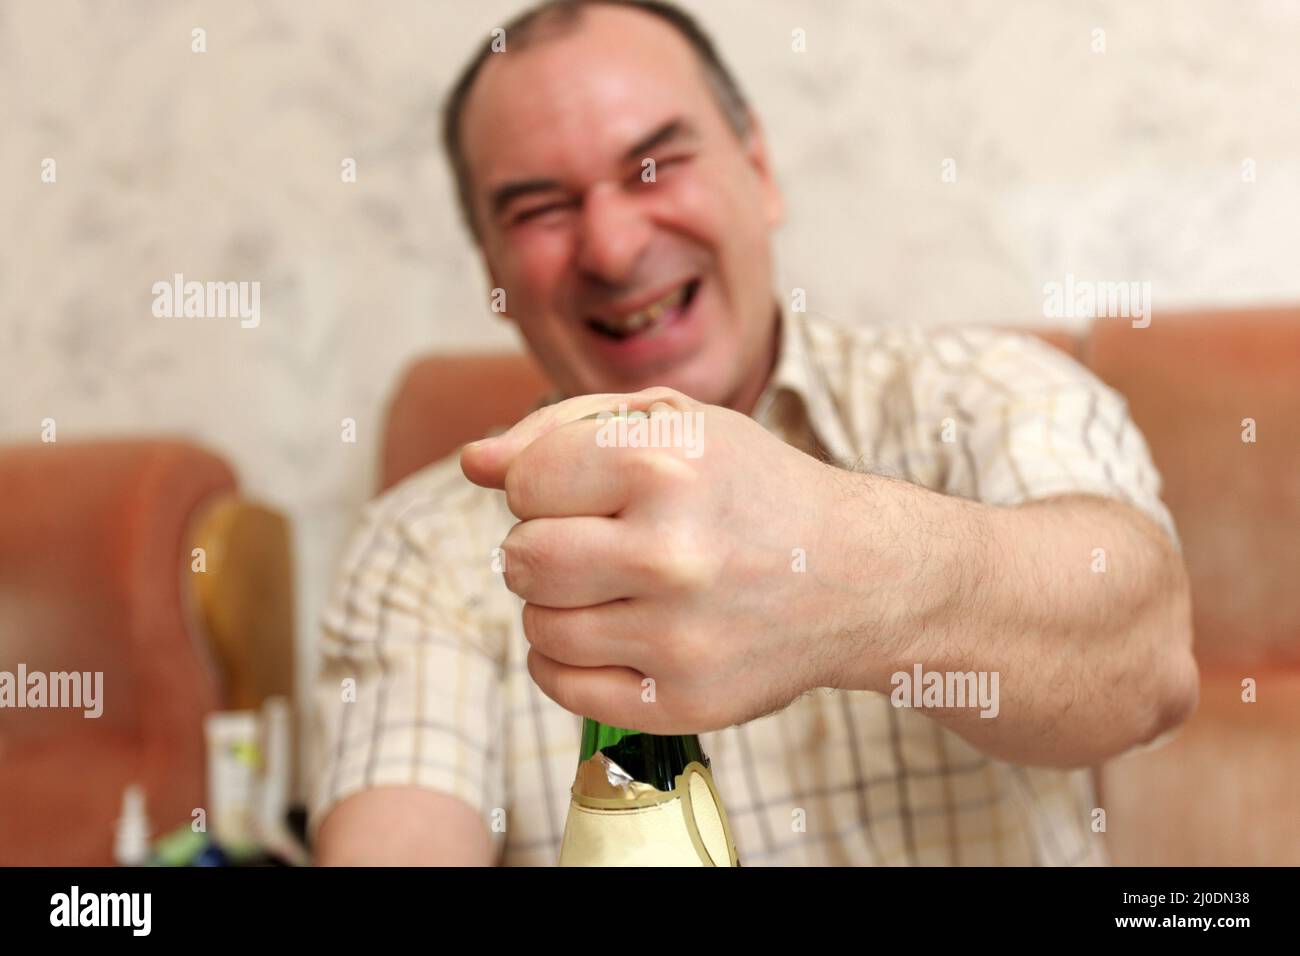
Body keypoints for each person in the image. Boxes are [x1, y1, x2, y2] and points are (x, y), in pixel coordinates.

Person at [312, 0, 1197, 866]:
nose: (613, 249)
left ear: (759, 170)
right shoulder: (418, 550)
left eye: (655, 165)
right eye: (539, 209)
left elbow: (1149, 665)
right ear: (491, 267)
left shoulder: (982, 392)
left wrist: (835, 569)